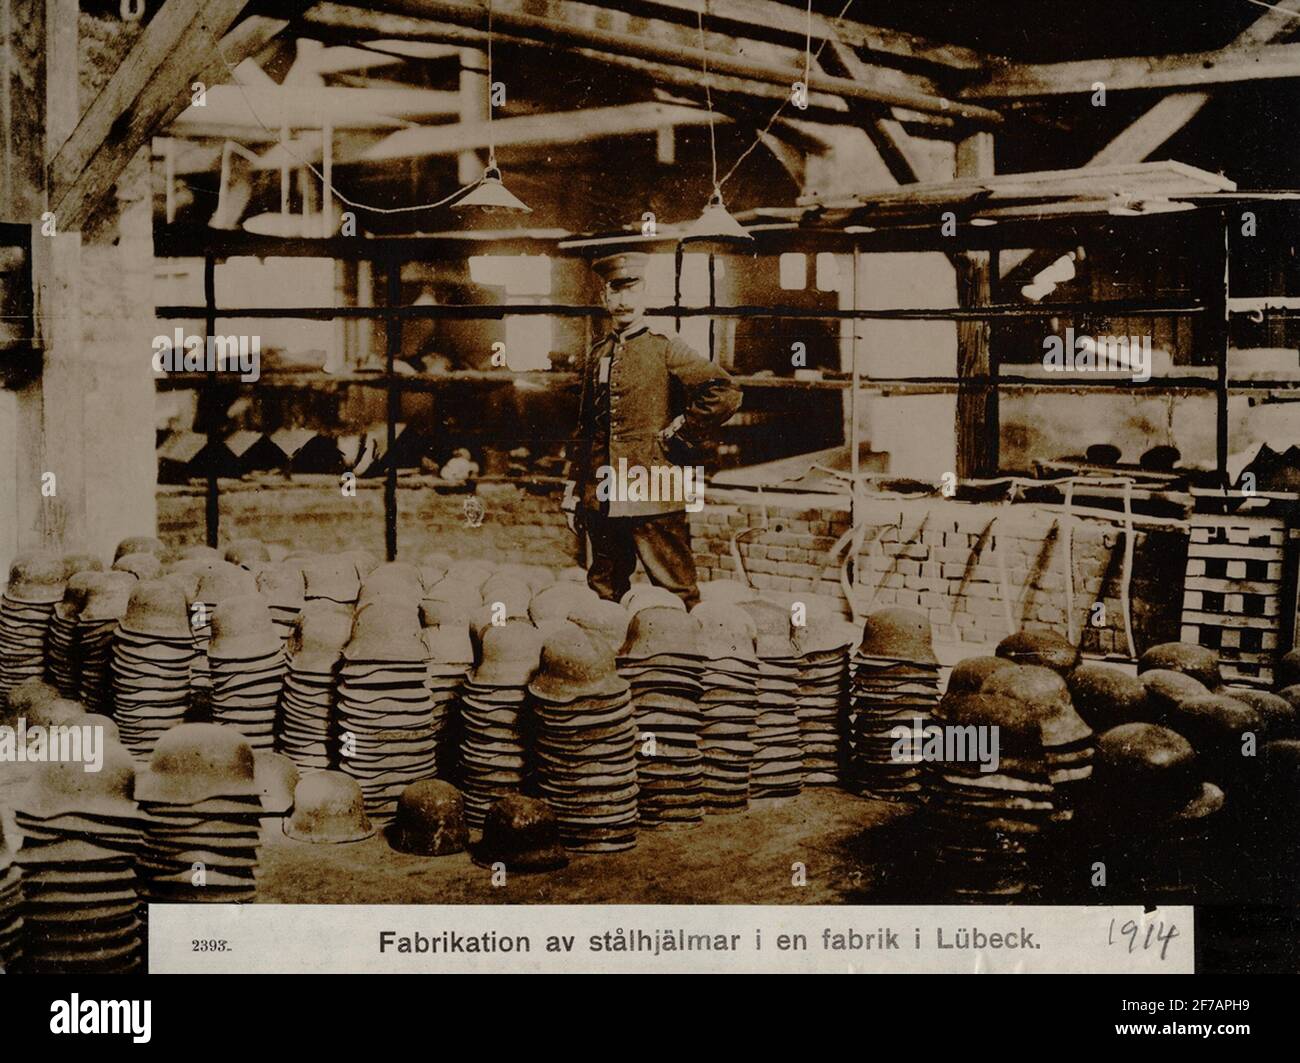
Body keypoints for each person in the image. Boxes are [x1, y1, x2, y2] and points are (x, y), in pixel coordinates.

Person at [562, 252, 742, 609]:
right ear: (605, 298)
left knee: (677, 590)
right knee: (603, 589)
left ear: (645, 296)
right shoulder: (598, 353)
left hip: (654, 481)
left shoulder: (665, 346)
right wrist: (573, 489)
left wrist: (681, 430)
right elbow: (585, 429)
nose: (624, 300)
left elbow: (725, 392)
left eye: (633, 290)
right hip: (604, 487)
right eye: (616, 290)